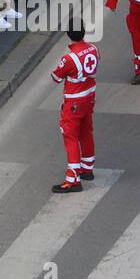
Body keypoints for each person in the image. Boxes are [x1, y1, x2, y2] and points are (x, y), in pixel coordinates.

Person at [49, 23, 100, 193]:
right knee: (86, 132)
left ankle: (73, 179)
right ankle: (87, 168)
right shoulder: (93, 49)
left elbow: (56, 77)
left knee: (70, 136)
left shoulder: (69, 58)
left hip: (74, 102)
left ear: (68, 35)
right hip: (89, 97)